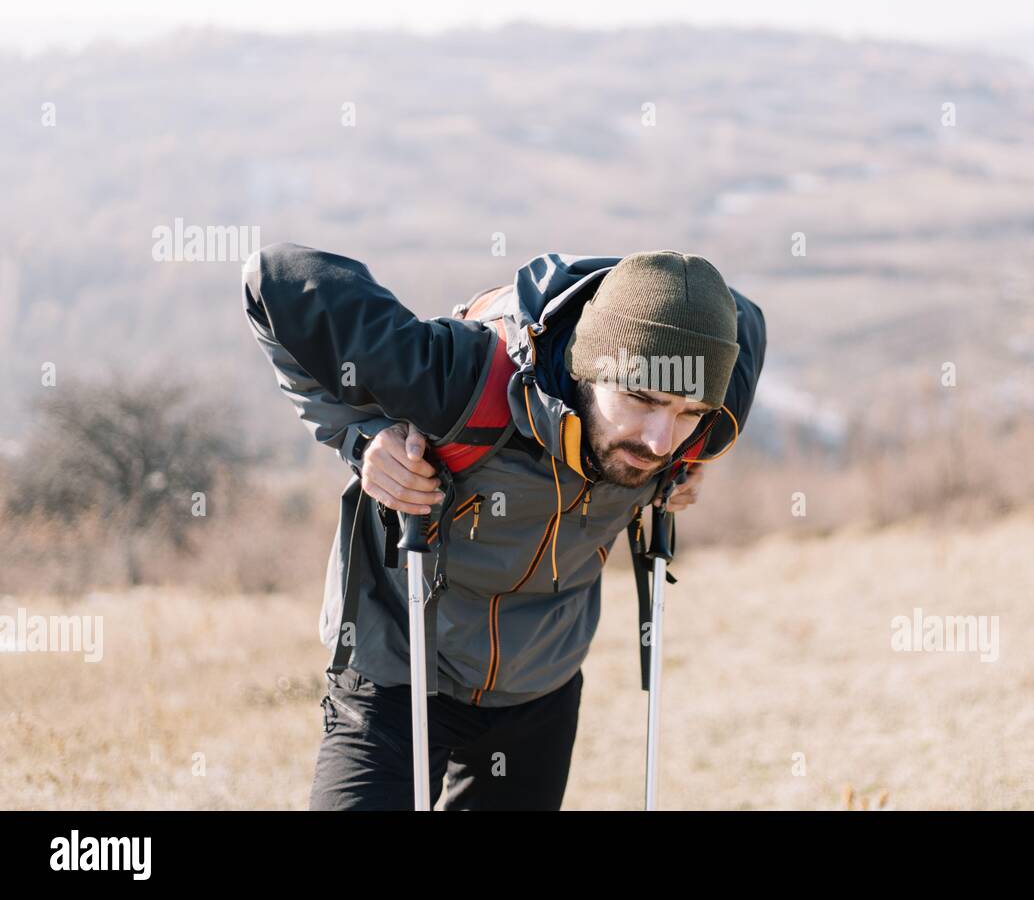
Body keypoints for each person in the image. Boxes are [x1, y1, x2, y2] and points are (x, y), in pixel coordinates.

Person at [242, 245, 766, 809]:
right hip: (403, 672)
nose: (659, 440)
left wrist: (692, 461)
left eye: (688, 413)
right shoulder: (455, 377)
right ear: (587, 371)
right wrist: (361, 436)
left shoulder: (703, 410)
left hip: (540, 691)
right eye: (640, 399)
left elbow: (746, 318)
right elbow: (274, 279)